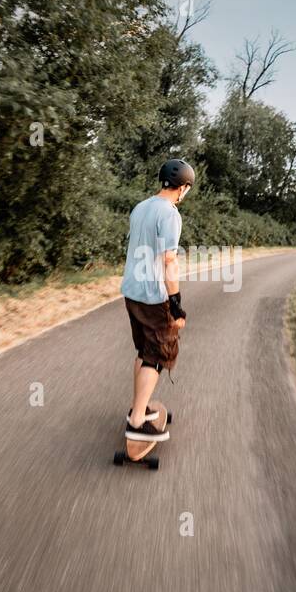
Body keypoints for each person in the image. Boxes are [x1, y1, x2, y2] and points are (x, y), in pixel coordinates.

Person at [120, 158, 194, 442]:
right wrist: (175, 303)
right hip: (153, 296)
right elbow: (169, 259)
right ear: (183, 187)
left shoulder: (141, 207)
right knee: (158, 355)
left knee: (143, 351)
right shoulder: (170, 213)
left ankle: (139, 406)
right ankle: (138, 421)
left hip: (132, 290)